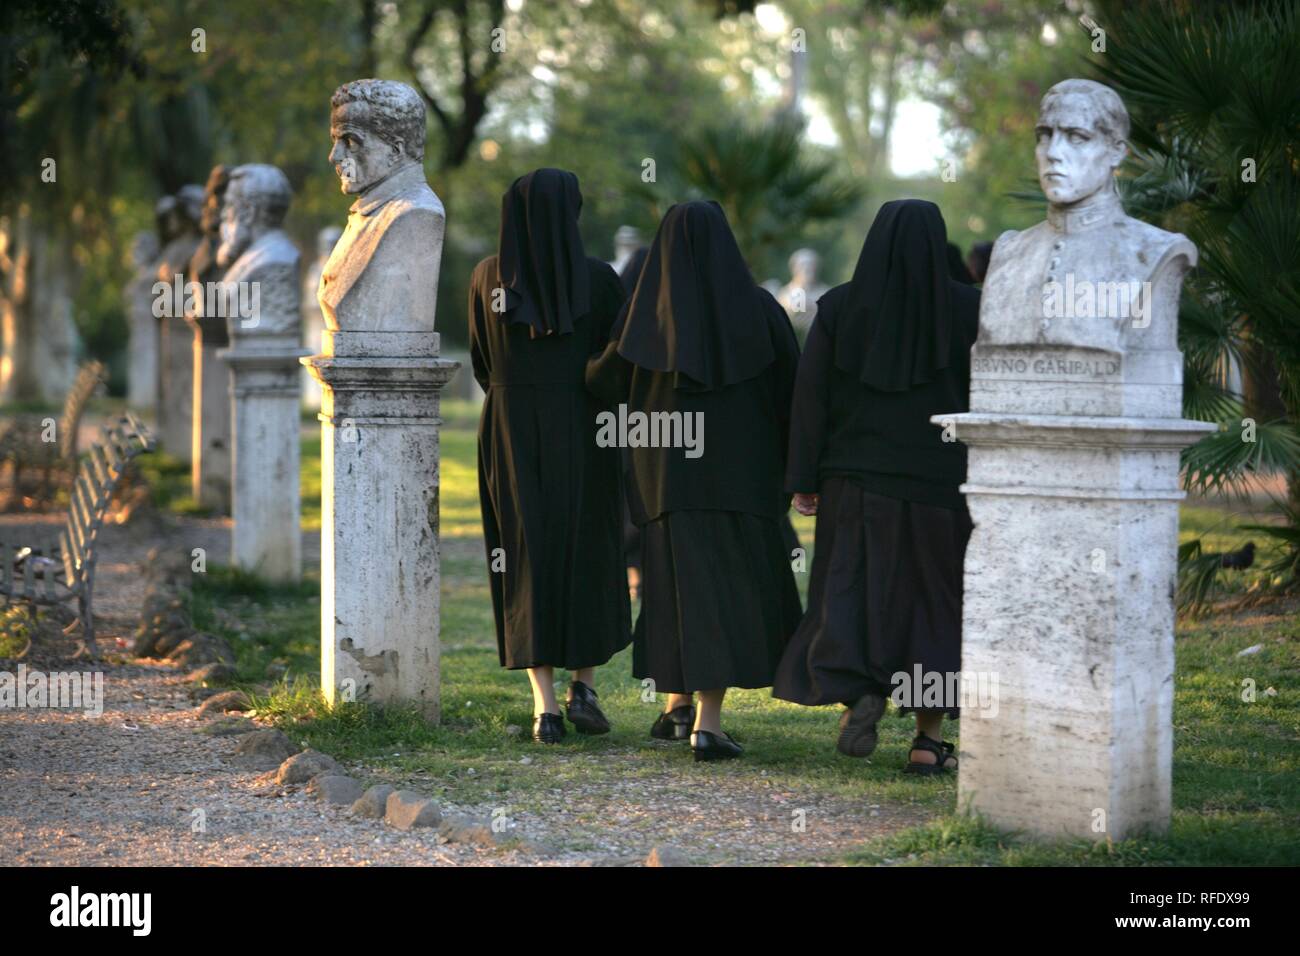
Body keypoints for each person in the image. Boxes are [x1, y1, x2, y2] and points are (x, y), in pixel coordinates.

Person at [587, 200, 802, 762]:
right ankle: (703, 719)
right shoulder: (760, 310)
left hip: (666, 480)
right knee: (720, 594)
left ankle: (678, 705)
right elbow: (791, 395)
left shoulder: (644, 316)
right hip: (740, 480)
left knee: (673, 588)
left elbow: (603, 380)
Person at [772, 199, 980, 775]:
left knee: (854, 593)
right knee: (934, 607)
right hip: (942, 484)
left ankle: (863, 690)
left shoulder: (839, 307)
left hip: (854, 483)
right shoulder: (969, 309)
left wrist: (803, 481)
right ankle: (926, 741)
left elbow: (810, 400)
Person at [468, 168, 631, 744]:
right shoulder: (600, 279)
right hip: (586, 424)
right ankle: (583, 685)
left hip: (511, 427)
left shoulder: (488, 277)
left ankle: (544, 708)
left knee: (524, 551)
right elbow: (618, 361)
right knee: (588, 543)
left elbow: (482, 362)